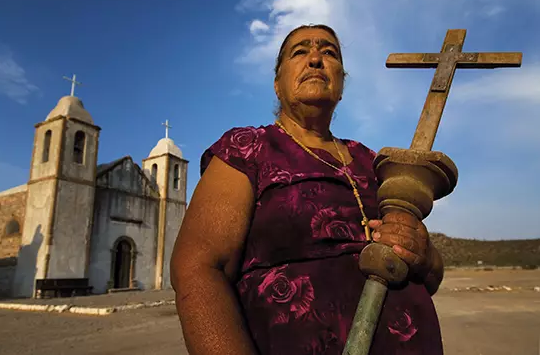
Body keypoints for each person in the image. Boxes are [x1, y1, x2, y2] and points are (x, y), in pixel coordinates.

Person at [170, 24, 445, 355]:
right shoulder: (248, 148)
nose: (315, 59)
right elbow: (198, 268)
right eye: (299, 52)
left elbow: (430, 273)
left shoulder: (373, 162)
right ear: (277, 84)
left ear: (342, 83)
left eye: (329, 53)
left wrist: (423, 253)